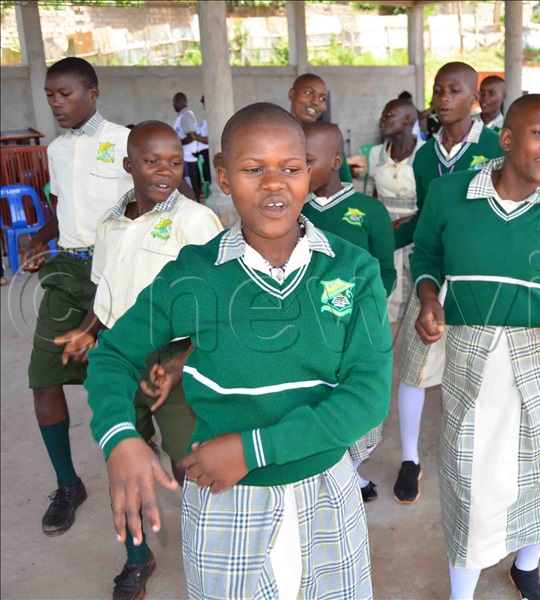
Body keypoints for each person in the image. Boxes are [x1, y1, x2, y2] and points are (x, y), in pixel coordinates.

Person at [84, 103, 392, 598]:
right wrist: (119, 437)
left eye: (290, 169)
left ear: (309, 173)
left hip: (326, 489)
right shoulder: (193, 273)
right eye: (253, 170)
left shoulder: (353, 269)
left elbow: (368, 396)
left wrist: (253, 449)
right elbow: (113, 355)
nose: (274, 185)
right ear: (223, 176)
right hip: (226, 497)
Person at [411, 93, 540, 600]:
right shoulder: (449, 194)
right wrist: (427, 299)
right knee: (470, 480)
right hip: (473, 361)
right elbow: (426, 256)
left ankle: (526, 566)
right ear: (506, 140)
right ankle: (463, 588)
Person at [56, 121, 223, 599]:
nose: (166, 171)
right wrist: (89, 332)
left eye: (175, 161)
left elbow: (217, 301)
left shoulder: (196, 221)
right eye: (152, 162)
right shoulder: (109, 223)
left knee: (187, 458)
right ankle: (136, 556)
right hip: (120, 352)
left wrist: (184, 361)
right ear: (129, 165)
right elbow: (104, 291)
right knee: (124, 454)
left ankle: (205, 547)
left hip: (176, 354)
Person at [20, 57, 133, 538]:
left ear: (93, 93)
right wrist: (40, 235)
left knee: (128, 382)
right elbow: (64, 205)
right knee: (43, 378)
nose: (56, 103)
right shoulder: (56, 150)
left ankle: (147, 474)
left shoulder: (126, 141)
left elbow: (160, 196)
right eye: (50, 95)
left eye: (64, 93)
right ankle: (68, 484)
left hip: (118, 267)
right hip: (68, 269)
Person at [391, 62, 503, 505]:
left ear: (474, 99)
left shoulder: (496, 146)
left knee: (480, 373)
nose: (442, 96)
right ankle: (409, 459)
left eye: (454, 90)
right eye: (438, 89)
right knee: (414, 368)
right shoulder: (423, 155)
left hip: (479, 274)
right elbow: (426, 221)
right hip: (433, 274)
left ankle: (479, 458)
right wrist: (385, 236)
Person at [301, 120, 396, 502]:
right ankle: (323, 475)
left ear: (336, 160)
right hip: (305, 328)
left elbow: (386, 271)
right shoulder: (292, 210)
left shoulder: (369, 211)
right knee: (311, 401)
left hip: (357, 329)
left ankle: (349, 472)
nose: (297, 171)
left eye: (306, 161)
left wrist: (363, 309)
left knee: (357, 403)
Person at [369, 98, 425, 323]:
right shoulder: (375, 154)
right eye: (383, 114)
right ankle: (386, 332)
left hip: (415, 224)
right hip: (384, 225)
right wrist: (378, 221)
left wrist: (410, 220)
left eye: (389, 115)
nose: (382, 120)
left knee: (411, 281)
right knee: (385, 276)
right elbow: (374, 193)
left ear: (408, 120)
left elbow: (429, 199)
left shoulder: (426, 153)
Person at [287, 73, 353, 183]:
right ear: (292, 94)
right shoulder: (276, 136)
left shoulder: (330, 143)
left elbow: (346, 185)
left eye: (322, 98)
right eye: (309, 93)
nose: (315, 101)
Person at [172, 92, 202, 201]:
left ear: (178, 102)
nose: (173, 106)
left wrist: (176, 143)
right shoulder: (183, 116)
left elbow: (191, 137)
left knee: (190, 187)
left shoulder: (186, 116)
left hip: (188, 158)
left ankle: (195, 207)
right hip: (185, 157)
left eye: (174, 103)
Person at [192, 94, 212, 187]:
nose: (204, 106)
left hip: (207, 152)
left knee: (208, 179)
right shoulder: (206, 121)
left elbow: (211, 139)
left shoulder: (212, 121)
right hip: (201, 153)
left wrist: (195, 137)